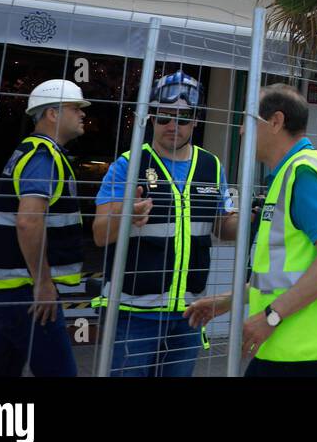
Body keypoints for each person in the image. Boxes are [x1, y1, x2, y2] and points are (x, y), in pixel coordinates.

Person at [185, 84, 317, 376]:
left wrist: (270, 317)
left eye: (247, 121)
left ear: (275, 122)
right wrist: (229, 301)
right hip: (293, 344)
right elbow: (283, 273)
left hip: (301, 349)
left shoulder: (304, 174)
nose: (241, 131)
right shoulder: (289, 174)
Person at [92, 71, 238, 376]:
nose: (173, 126)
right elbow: (99, 234)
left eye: (183, 118)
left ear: (195, 121)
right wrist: (126, 215)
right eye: (164, 117)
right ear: (151, 119)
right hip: (132, 315)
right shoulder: (129, 164)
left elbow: (224, 227)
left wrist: (255, 220)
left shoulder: (212, 166)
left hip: (188, 313)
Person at [0, 79, 88, 377]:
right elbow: (28, 221)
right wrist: (42, 282)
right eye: (75, 108)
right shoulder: (43, 157)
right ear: (52, 113)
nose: (82, 114)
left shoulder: (30, 152)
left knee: (0, 370)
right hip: (26, 290)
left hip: (6, 287)